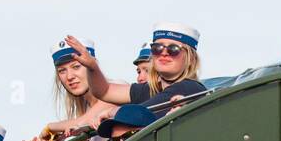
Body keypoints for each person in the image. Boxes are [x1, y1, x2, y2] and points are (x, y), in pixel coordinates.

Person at [68, 23, 207, 121]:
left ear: (190, 58)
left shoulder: (190, 88)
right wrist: (92, 67)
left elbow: (138, 114)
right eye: (157, 48)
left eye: (173, 49)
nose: (164, 53)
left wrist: (111, 111)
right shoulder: (150, 89)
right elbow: (104, 91)